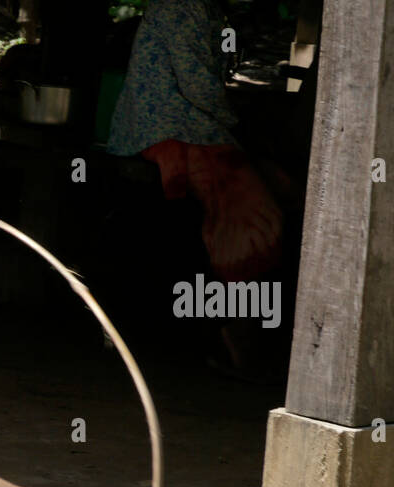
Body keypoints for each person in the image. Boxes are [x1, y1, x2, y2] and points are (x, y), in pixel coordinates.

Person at [108, 0, 284, 288]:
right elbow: (198, 84)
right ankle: (238, 279)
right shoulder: (181, 7)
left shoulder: (208, 11)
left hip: (184, 124)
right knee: (238, 186)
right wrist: (231, 121)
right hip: (168, 128)